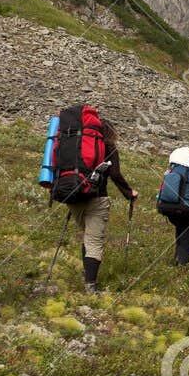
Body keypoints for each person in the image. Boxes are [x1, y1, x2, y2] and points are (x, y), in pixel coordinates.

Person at [73, 115, 138, 292]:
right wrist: (128, 193)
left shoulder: (77, 143)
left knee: (88, 235)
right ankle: (90, 286)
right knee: (94, 240)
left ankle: (87, 274)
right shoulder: (109, 147)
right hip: (97, 198)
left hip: (74, 197)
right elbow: (115, 175)